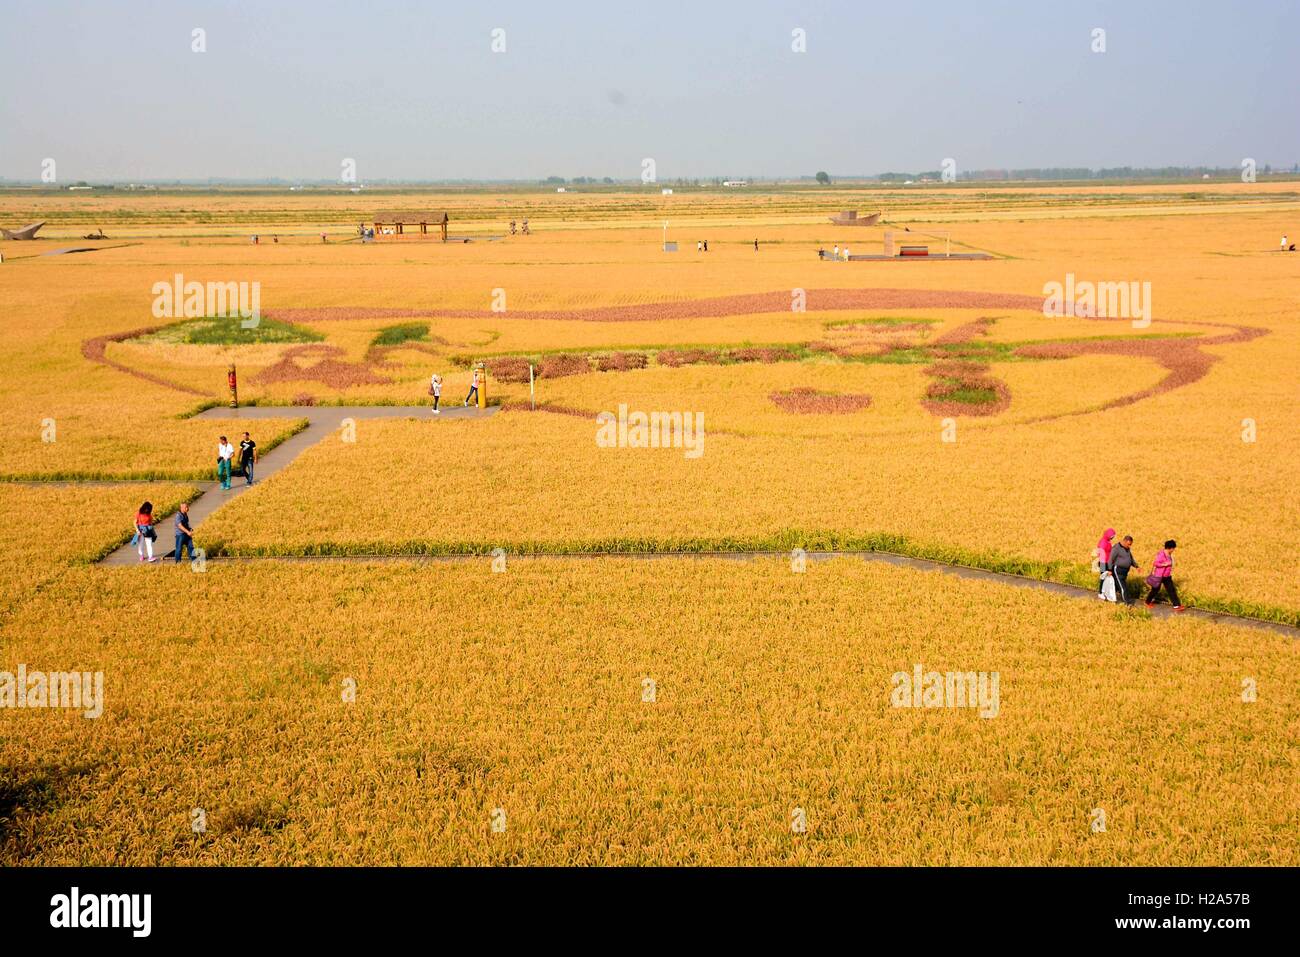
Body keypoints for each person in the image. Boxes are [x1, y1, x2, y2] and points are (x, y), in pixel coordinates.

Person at [1145, 540, 1183, 611]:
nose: (1174, 550)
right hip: (1159, 576)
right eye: (1173, 548)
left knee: (1171, 590)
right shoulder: (1161, 554)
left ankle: (1176, 605)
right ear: (1170, 548)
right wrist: (1164, 564)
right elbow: (1155, 563)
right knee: (1155, 590)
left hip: (1167, 576)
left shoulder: (1169, 554)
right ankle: (1147, 602)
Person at [1107, 535, 1140, 604]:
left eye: (1130, 544)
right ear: (1124, 541)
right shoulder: (1116, 548)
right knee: (1123, 587)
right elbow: (1110, 559)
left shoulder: (1127, 548)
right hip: (1118, 570)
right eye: (1128, 544)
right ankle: (1127, 602)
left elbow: (1130, 558)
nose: (1129, 546)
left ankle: (1108, 596)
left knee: (1117, 586)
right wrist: (1109, 570)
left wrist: (1136, 566)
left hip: (1125, 571)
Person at [1095, 527, 1116, 596]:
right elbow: (1101, 552)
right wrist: (1106, 566)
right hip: (1103, 563)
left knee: (1107, 577)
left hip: (1107, 562)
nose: (1112, 538)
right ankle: (1101, 592)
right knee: (1103, 577)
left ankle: (1106, 592)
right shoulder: (1103, 542)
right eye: (1111, 536)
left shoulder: (1107, 541)